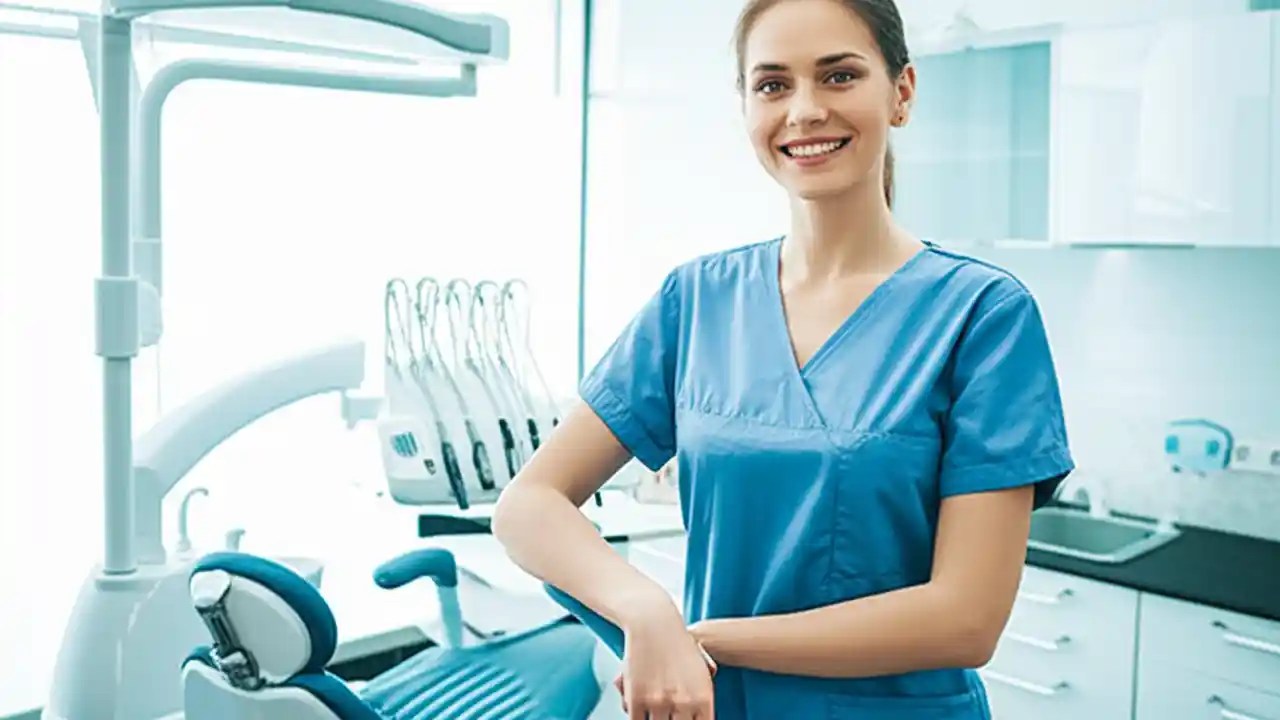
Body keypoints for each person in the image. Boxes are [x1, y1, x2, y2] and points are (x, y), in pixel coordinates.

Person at [491, 0, 1074, 717]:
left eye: (838, 76)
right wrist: (644, 610)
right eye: (772, 85)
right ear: (745, 108)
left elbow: (966, 618)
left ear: (902, 93)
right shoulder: (697, 299)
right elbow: (528, 504)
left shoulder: (982, 315)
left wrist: (703, 639)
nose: (804, 110)